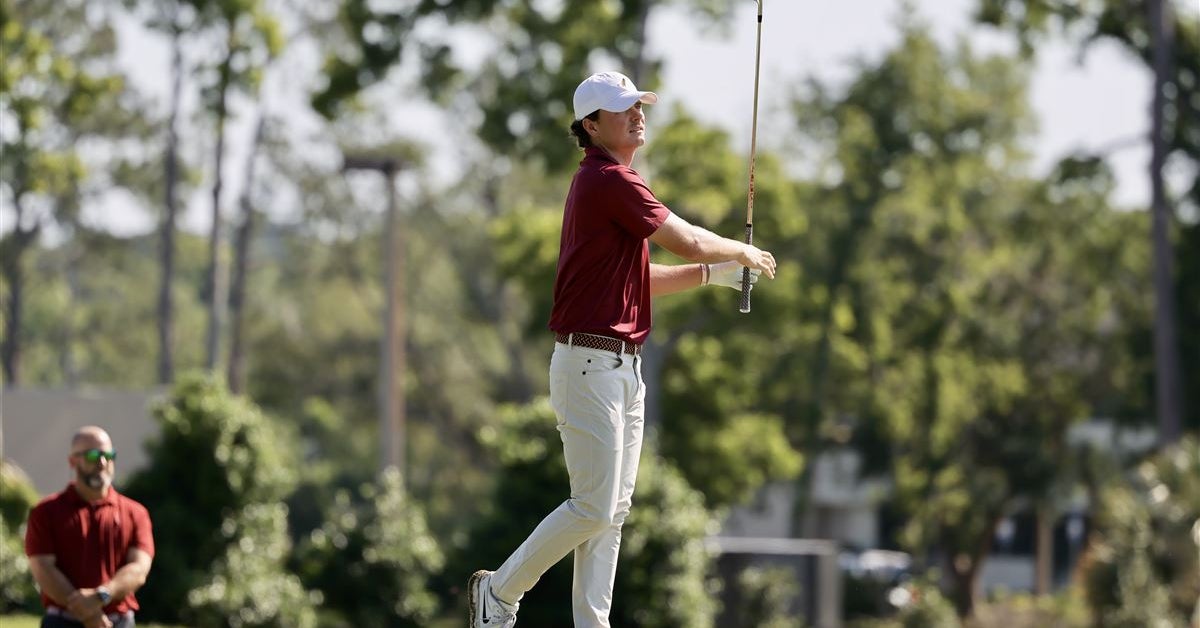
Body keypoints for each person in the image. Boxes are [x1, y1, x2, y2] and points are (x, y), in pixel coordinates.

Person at [469, 71, 778, 628]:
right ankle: (500, 591)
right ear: (591, 125)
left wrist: (714, 273)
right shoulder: (608, 179)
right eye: (623, 109)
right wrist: (742, 251)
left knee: (610, 513)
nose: (638, 115)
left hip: (619, 369)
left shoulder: (611, 187)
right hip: (589, 363)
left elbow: (643, 278)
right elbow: (684, 236)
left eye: (639, 105)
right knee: (593, 506)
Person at [25, 426, 154, 628]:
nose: (102, 462)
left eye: (108, 455)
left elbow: (139, 569)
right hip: (62, 622)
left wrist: (102, 595)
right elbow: (43, 569)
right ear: (72, 461)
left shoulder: (136, 513)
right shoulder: (45, 512)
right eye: (93, 455)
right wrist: (88, 614)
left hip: (119, 622)